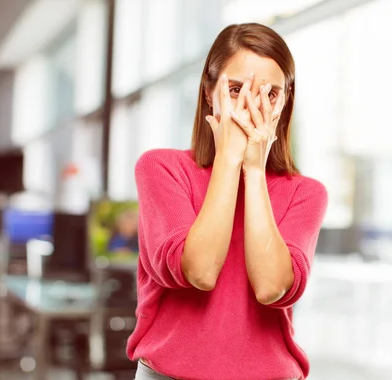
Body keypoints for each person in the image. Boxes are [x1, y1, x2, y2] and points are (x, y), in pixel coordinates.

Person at [127, 23, 328, 380]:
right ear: (208, 92)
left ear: (285, 101)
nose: (252, 108)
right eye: (236, 90)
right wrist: (228, 160)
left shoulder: (306, 193)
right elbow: (200, 272)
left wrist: (254, 170)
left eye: (270, 94)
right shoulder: (161, 169)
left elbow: (271, 287)